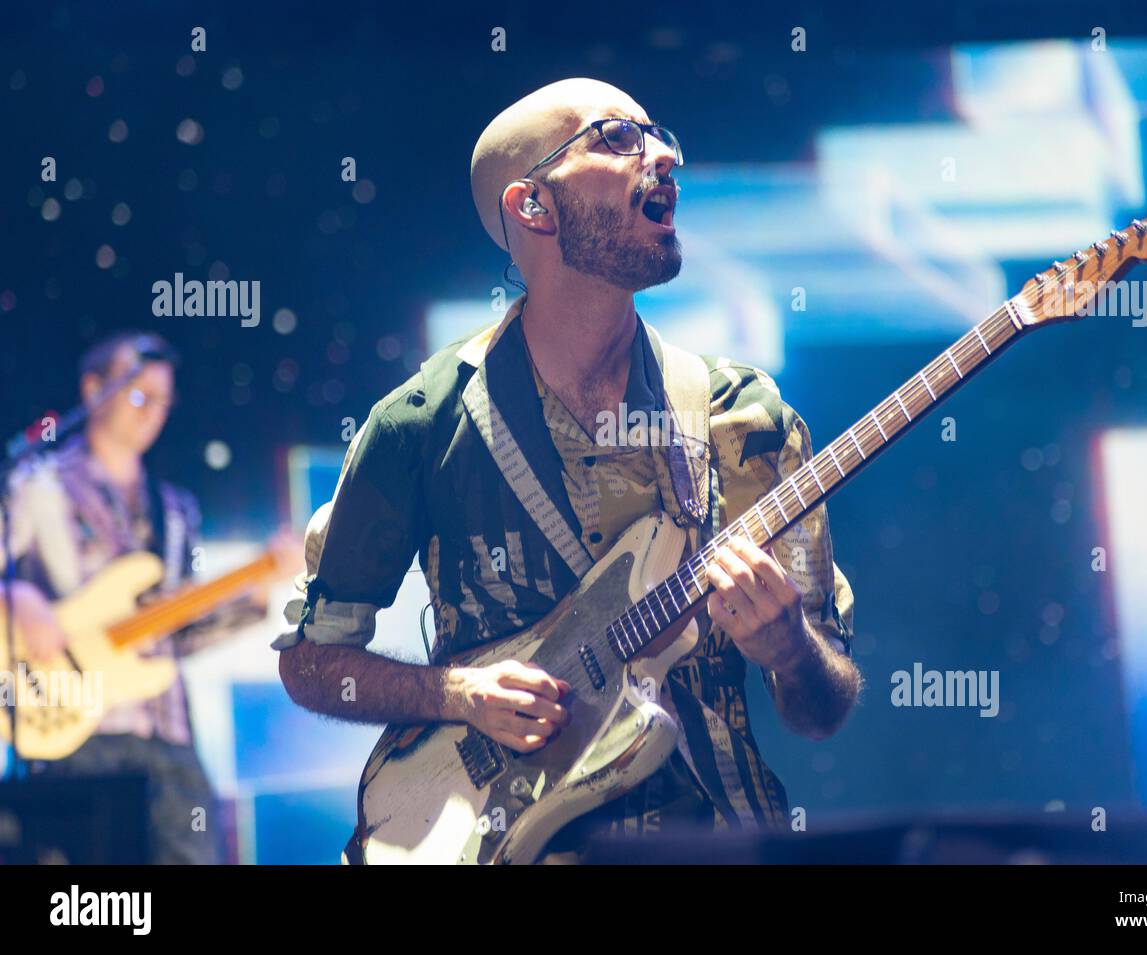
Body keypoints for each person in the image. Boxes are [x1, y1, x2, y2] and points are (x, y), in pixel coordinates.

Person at [275, 78, 862, 860]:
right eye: (618, 136)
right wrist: (451, 692)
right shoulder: (421, 425)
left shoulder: (742, 417)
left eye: (660, 135)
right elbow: (312, 664)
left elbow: (823, 707)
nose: (660, 156)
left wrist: (790, 646)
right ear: (533, 206)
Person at [1, 331, 299, 864]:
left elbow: (176, 635)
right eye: (139, 395)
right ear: (93, 388)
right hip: (70, 732)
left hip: (166, 736)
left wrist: (255, 590)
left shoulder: (175, 509)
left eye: (163, 401)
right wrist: (15, 596)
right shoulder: (33, 487)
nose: (152, 413)